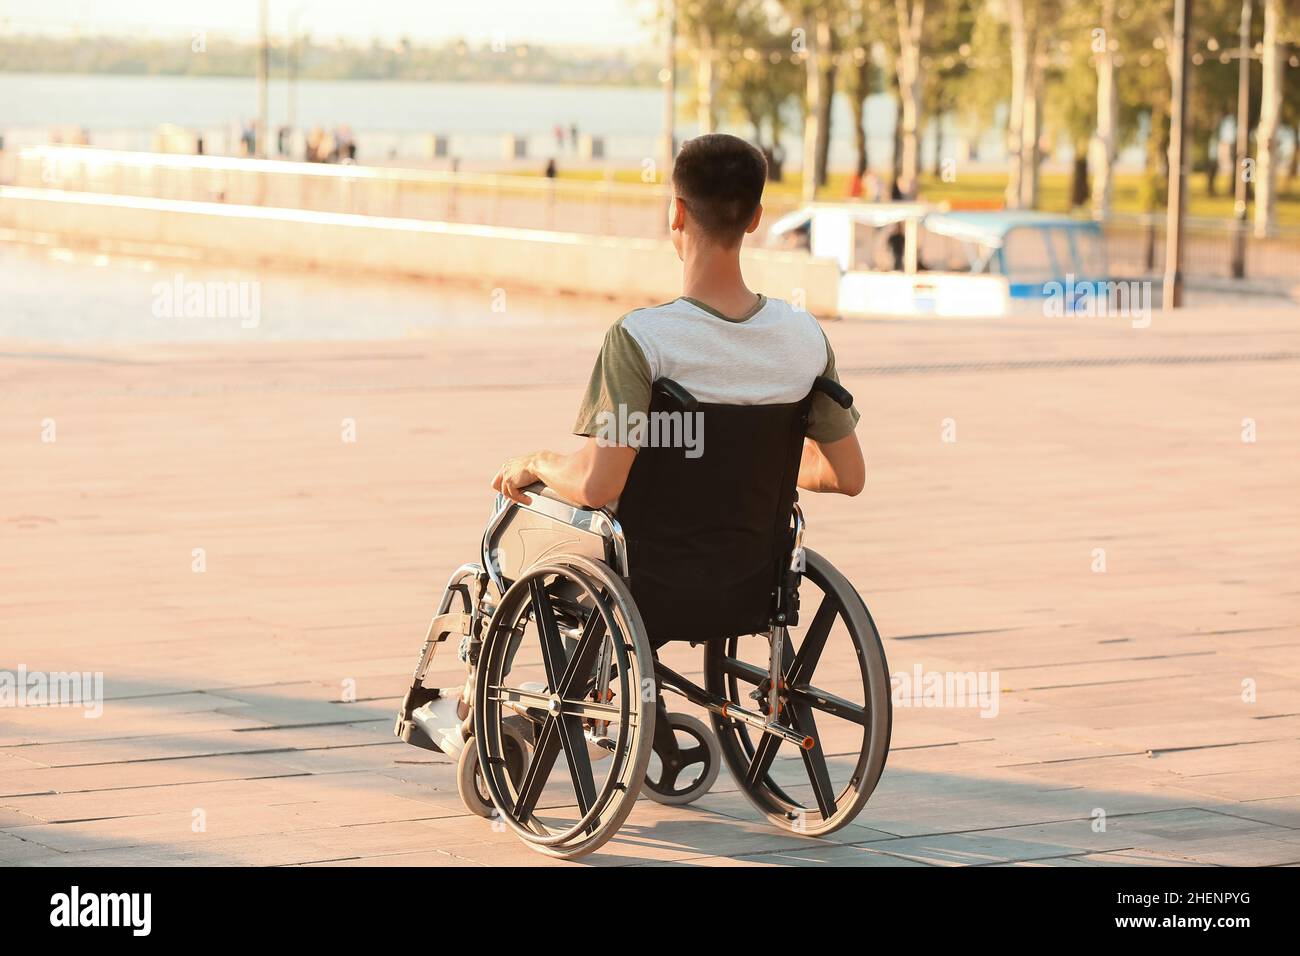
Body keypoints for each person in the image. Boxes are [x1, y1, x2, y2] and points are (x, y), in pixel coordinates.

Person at [418, 134, 865, 752]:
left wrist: (534, 463)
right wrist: (747, 470)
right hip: (748, 581)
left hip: (644, 578)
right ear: (756, 218)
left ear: (676, 213)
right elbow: (846, 475)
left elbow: (601, 484)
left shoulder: (644, 339)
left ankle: (479, 708)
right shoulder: (803, 338)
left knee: (509, 518)